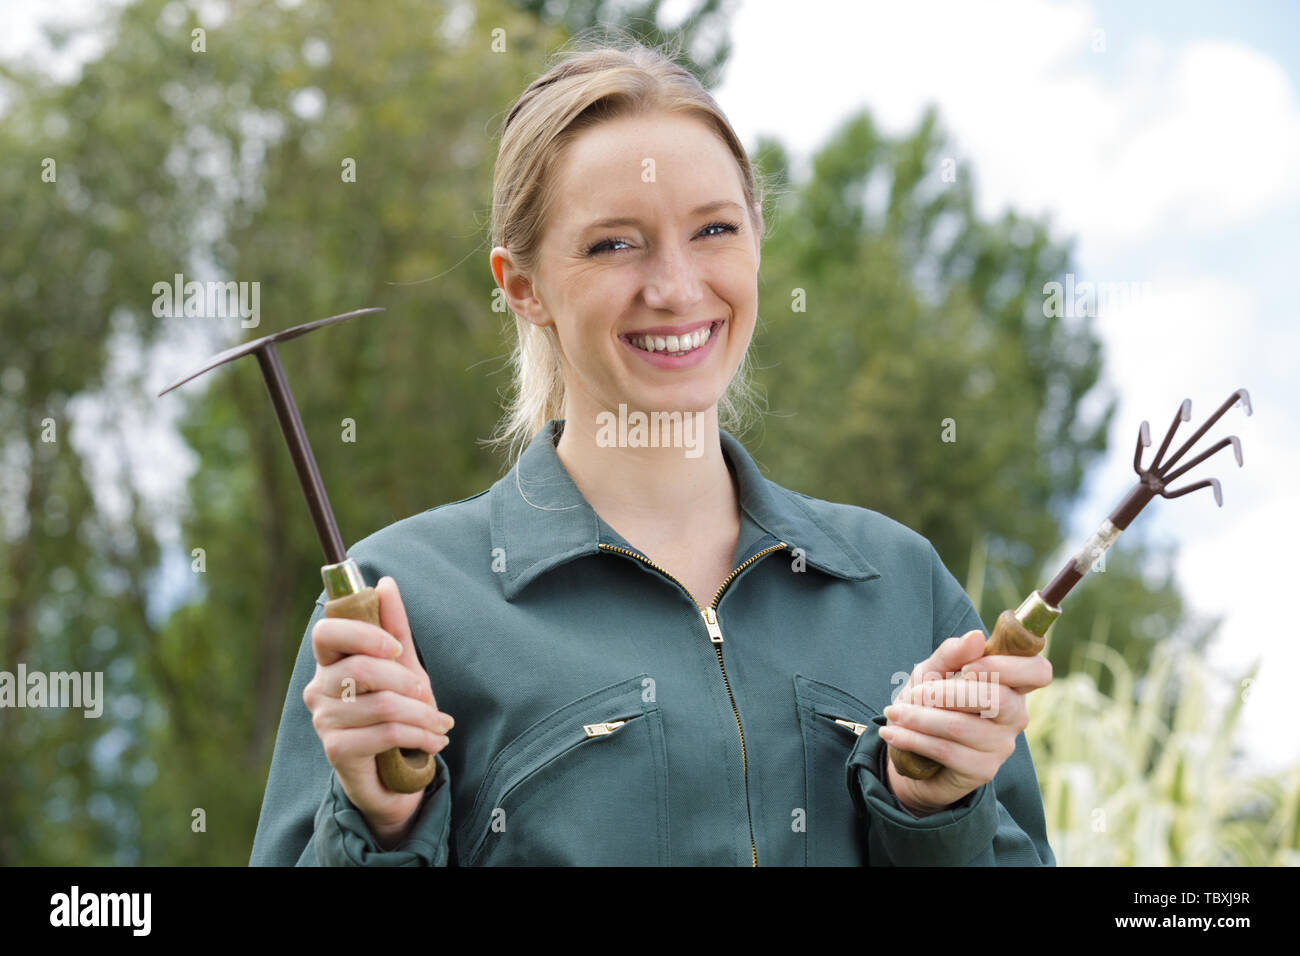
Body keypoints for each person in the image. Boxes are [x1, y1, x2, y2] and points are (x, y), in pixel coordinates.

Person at [249, 35, 1055, 867]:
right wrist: (378, 828)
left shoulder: (900, 587)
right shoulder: (402, 609)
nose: (675, 288)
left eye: (713, 229)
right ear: (522, 286)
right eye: (614, 244)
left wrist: (933, 811)